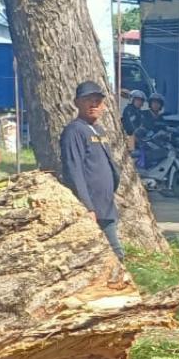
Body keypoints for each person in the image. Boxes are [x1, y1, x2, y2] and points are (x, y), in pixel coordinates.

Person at [59, 80, 124, 261]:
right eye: (88, 100)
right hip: (92, 207)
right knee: (115, 253)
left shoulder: (98, 130)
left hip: (106, 205)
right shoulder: (74, 131)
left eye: (98, 101)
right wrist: (87, 206)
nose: (93, 104)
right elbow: (74, 170)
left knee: (106, 256)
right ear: (77, 103)